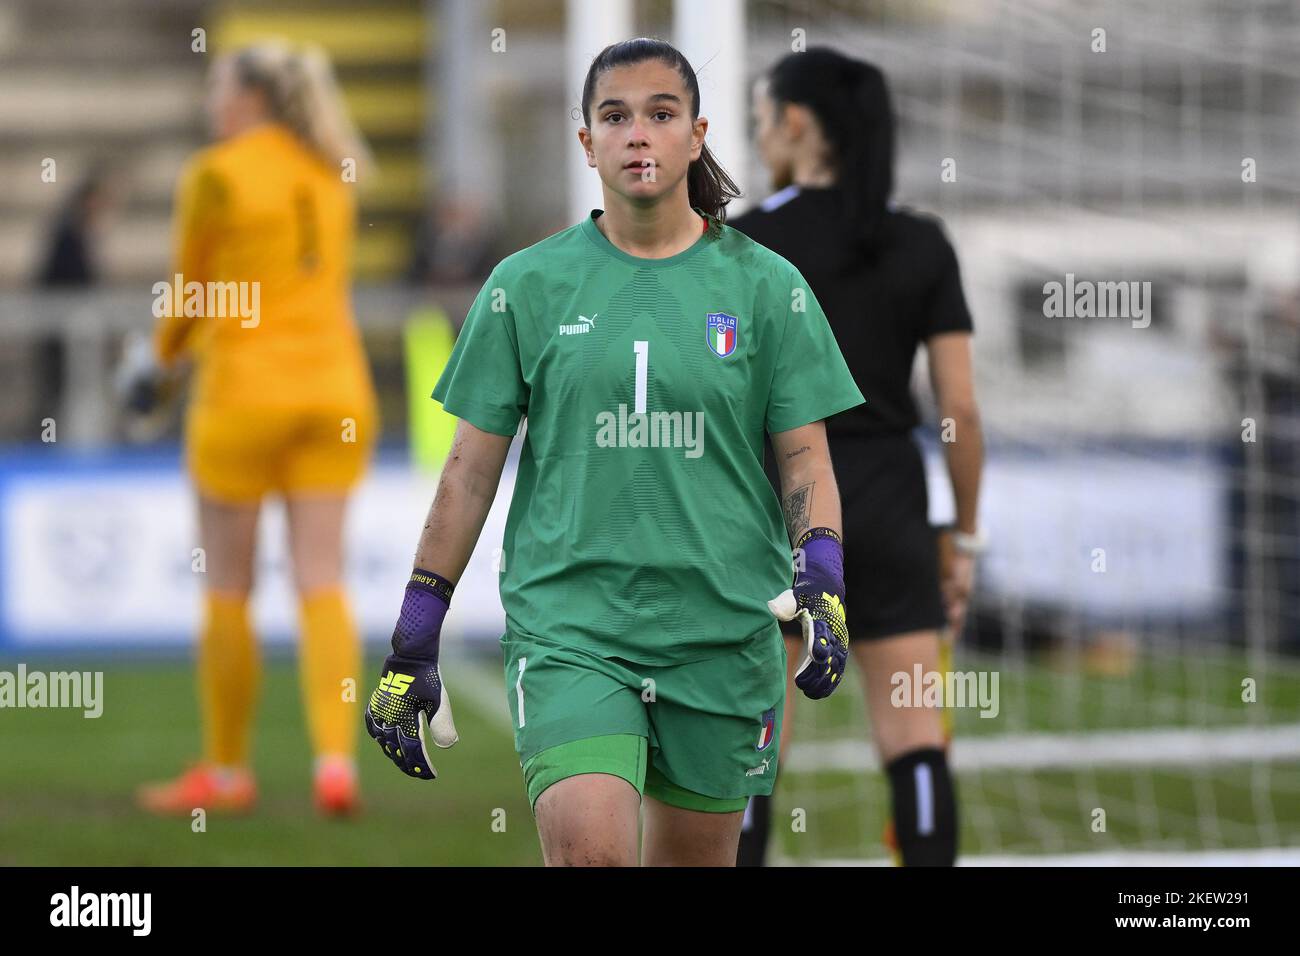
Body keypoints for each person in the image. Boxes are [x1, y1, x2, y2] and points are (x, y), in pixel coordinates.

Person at [363, 37, 864, 866]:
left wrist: (826, 580)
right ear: (586, 142)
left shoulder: (769, 288)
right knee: (594, 854)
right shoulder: (524, 286)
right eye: (616, 116)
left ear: (697, 134)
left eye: (662, 115)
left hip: (724, 630)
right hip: (573, 630)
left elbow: (807, 460)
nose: (639, 134)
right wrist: (415, 634)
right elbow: (468, 473)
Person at [728, 48, 984, 866]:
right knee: (915, 739)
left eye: (764, 115)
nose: (760, 132)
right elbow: (962, 410)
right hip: (891, 504)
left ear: (797, 124)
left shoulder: (745, 245)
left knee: (753, 748)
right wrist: (965, 539)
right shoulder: (919, 241)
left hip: (781, 506)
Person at [134, 40, 379, 817]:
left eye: (217, 85)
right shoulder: (333, 167)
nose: (211, 100)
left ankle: (229, 772)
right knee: (322, 579)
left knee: (229, 588)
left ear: (248, 99)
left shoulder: (215, 172)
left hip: (242, 394)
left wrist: (157, 363)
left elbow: (190, 294)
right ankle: (335, 763)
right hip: (336, 393)